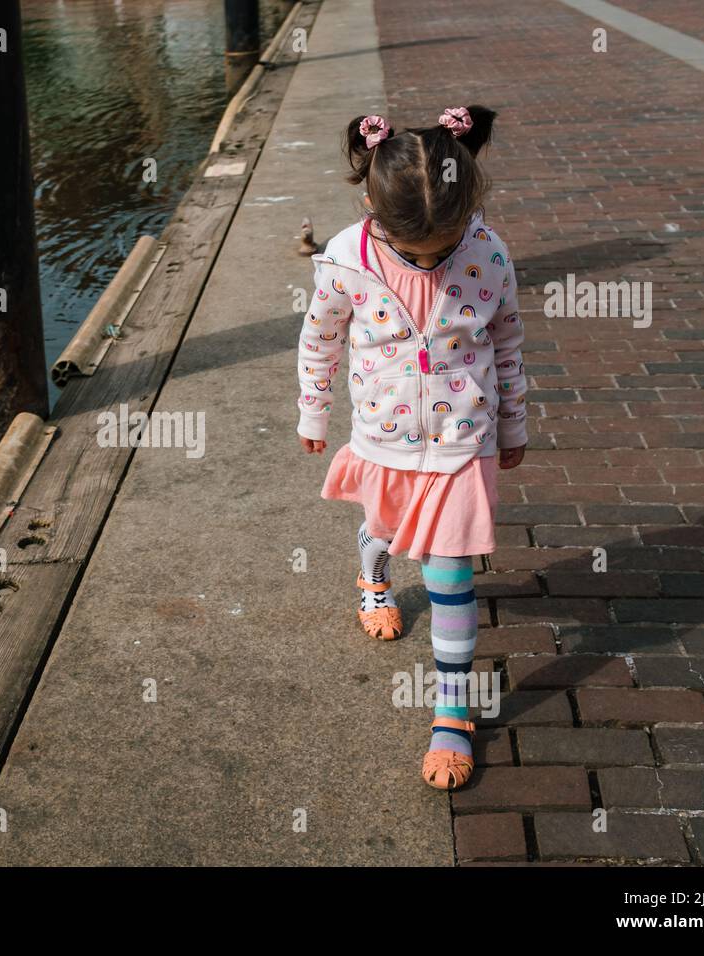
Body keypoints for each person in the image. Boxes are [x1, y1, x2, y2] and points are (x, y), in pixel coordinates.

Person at [295, 106, 528, 790]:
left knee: (451, 571)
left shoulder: (487, 251)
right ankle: (372, 576)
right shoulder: (345, 258)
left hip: (463, 438)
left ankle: (451, 712)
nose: (430, 259)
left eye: (443, 245)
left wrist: (512, 423)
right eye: (414, 248)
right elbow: (321, 339)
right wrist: (313, 409)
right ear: (370, 204)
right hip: (384, 433)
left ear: (471, 205)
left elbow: (507, 340)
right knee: (387, 530)